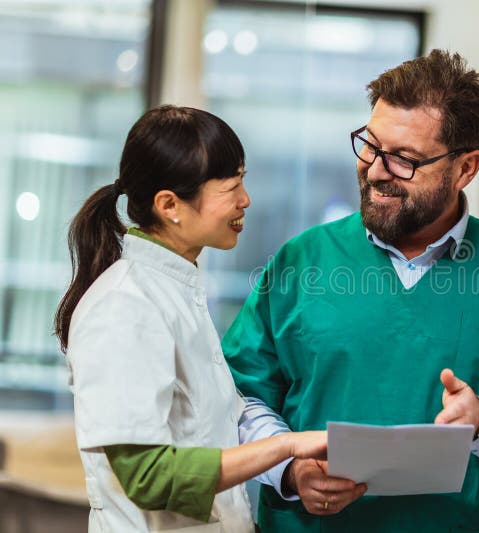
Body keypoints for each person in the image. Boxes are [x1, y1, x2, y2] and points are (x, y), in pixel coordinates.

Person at [223, 49, 479, 532]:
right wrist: (290, 470)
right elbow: (238, 399)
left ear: (466, 168)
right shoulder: (302, 263)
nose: (376, 169)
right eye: (370, 145)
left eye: (404, 159)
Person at [55, 105, 327, 533]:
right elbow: (150, 477)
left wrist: (295, 467)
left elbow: (220, 425)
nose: (246, 200)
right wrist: (286, 444)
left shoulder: (176, 288)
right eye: (231, 186)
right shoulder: (125, 306)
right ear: (170, 205)